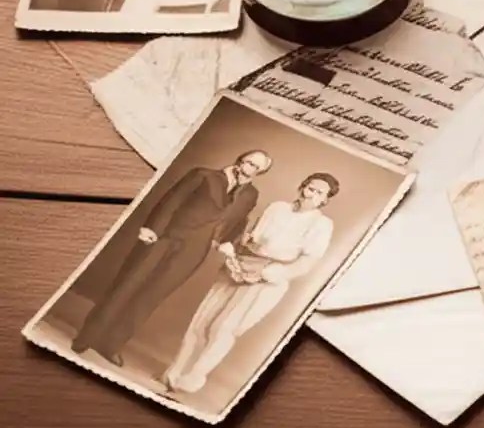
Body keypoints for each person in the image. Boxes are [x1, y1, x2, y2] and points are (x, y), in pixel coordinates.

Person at [69, 150, 272, 368]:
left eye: (257, 168)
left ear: (260, 173)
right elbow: (171, 201)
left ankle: (111, 345)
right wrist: (151, 227)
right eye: (249, 162)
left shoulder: (250, 195)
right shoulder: (203, 175)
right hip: (163, 237)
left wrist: (228, 240)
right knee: (127, 285)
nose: (250, 168)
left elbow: (240, 220)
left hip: (194, 251)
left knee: (151, 297)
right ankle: (86, 337)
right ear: (239, 159)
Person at [161, 172, 338, 395]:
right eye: (310, 188)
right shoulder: (277, 207)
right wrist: (237, 245)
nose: (312, 194)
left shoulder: (322, 224)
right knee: (200, 321)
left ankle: (194, 377)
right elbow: (251, 236)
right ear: (302, 187)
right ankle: (173, 371)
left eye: (319, 193)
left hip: (266, 277)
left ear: (325, 200)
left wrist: (272, 272)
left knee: (223, 328)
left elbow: (309, 261)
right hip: (240, 263)